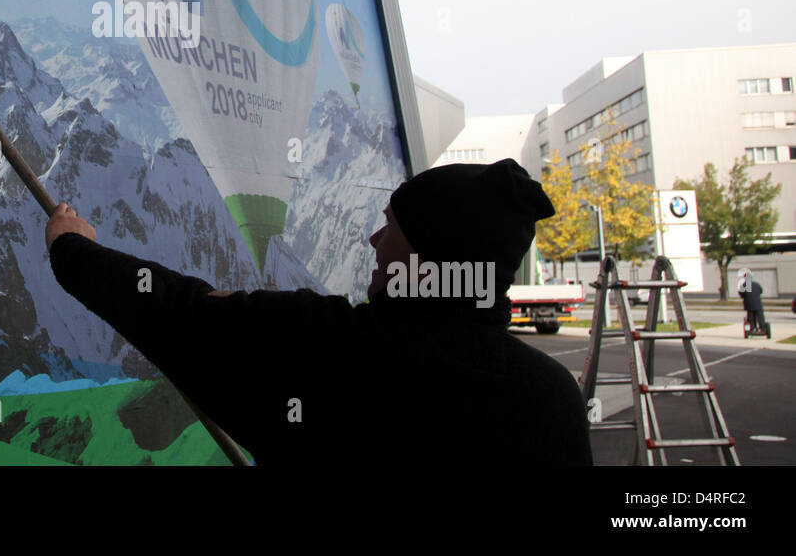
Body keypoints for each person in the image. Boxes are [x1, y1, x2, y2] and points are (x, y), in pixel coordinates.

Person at [46, 157, 593, 465]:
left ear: (428, 256)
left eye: (395, 228)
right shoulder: (550, 396)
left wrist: (72, 248)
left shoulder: (331, 349)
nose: (376, 240)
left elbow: (179, 312)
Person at [737, 268, 768, 337]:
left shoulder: (744, 285)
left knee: (751, 317)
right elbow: (761, 291)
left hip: (749, 305)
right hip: (758, 304)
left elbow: (741, 295)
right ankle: (763, 328)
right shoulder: (756, 284)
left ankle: (752, 328)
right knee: (760, 317)